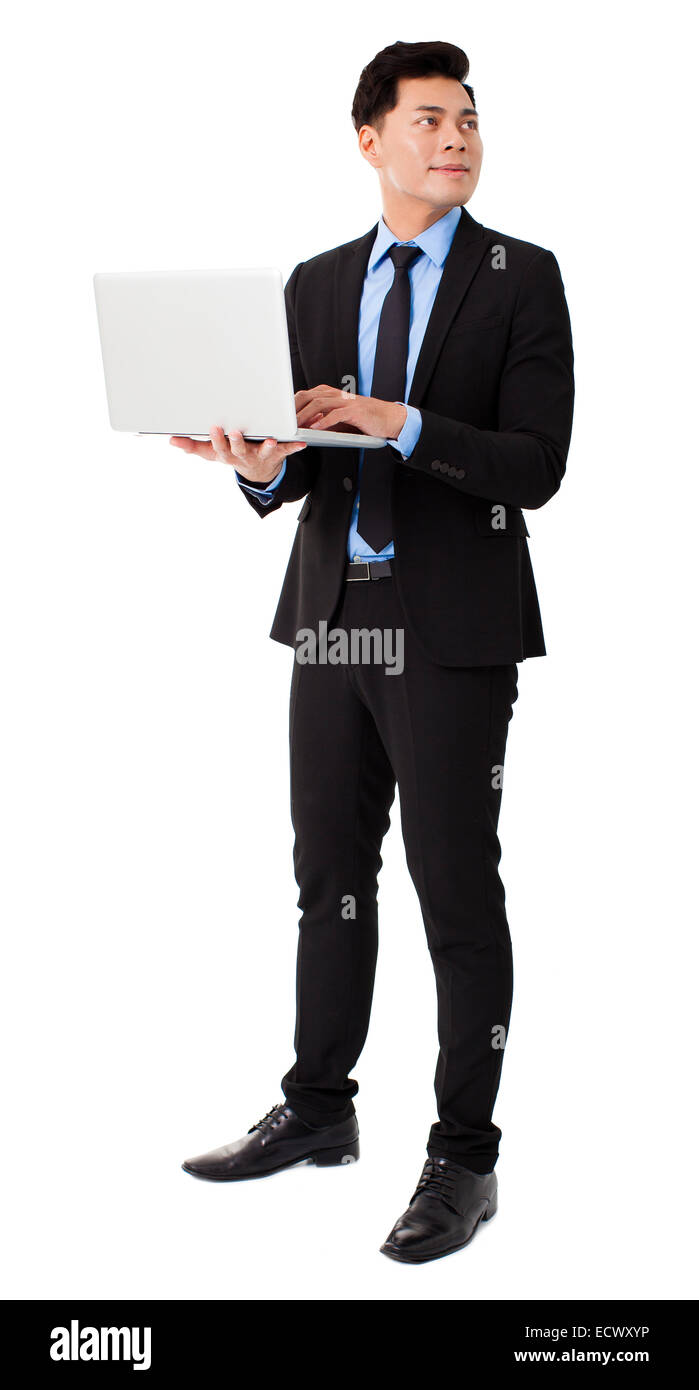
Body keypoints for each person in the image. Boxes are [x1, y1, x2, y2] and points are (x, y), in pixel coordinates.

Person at [171, 38, 574, 1264]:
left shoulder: (521, 277)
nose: (455, 138)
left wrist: (400, 423)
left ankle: (465, 1158)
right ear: (369, 139)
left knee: (457, 890)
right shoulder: (318, 280)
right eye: (428, 119)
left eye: (468, 119)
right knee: (328, 875)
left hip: (451, 630)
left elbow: (536, 467)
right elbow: (297, 462)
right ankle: (319, 1106)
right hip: (335, 618)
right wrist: (260, 467)